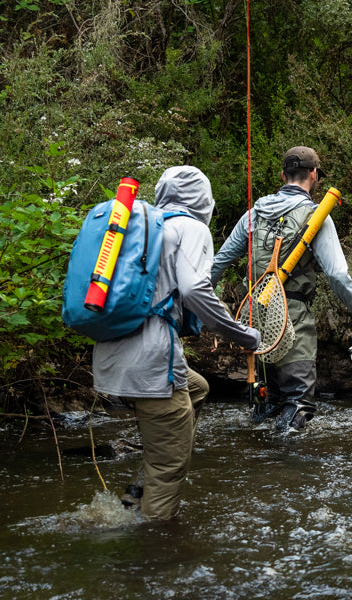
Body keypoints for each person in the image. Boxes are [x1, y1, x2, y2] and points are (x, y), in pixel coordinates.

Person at [93, 166, 261, 520]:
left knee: (197, 388)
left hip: (111, 353)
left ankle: (138, 490)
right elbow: (194, 289)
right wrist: (242, 334)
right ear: (203, 200)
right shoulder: (192, 228)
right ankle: (155, 553)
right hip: (152, 360)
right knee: (171, 466)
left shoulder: (143, 227)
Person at [211, 146, 352, 432]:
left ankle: (258, 469)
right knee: (297, 405)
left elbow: (217, 265)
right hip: (294, 321)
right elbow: (338, 275)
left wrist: (203, 311)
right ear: (314, 175)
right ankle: (288, 472)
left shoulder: (253, 214)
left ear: (283, 175)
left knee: (265, 404)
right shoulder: (317, 216)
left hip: (254, 321)